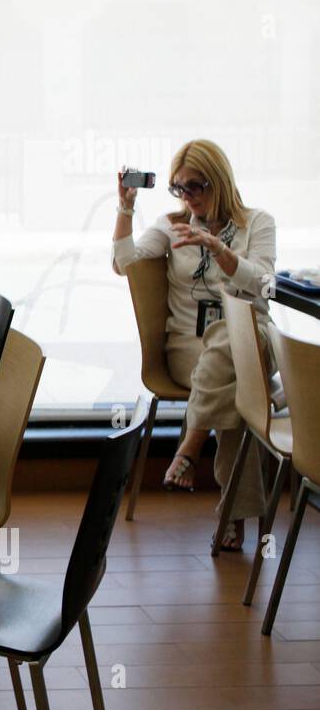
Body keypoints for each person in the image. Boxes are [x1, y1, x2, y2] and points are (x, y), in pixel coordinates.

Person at [111, 139, 276, 551]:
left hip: (252, 341)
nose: (188, 197)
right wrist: (126, 208)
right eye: (179, 188)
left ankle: (190, 445)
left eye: (196, 187)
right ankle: (234, 516)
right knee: (238, 386)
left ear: (219, 182)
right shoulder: (172, 225)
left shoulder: (258, 223)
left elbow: (265, 285)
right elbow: (123, 262)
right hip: (190, 348)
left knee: (234, 339)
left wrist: (220, 251)